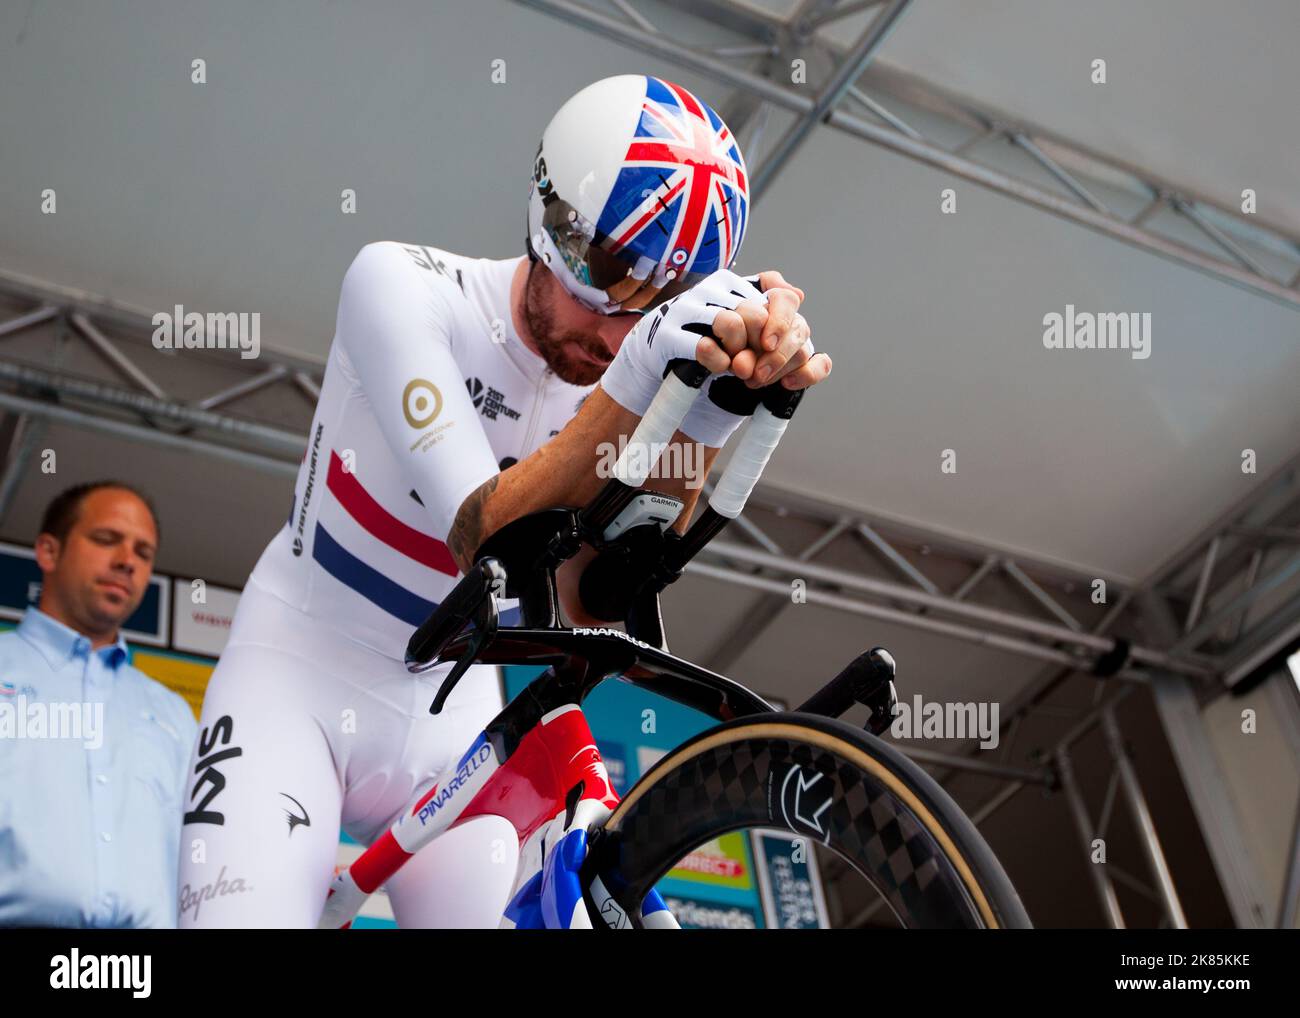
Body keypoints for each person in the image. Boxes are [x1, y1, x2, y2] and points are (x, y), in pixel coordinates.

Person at [178, 74, 831, 928]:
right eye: (605, 280)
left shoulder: (623, 360)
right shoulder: (403, 288)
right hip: (296, 675)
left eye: (655, 307)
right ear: (548, 220)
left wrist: (711, 397)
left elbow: (593, 594)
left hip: (453, 717)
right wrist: (645, 374)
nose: (611, 334)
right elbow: (483, 532)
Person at [0, 481, 196, 927]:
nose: (127, 561)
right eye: (106, 540)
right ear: (49, 552)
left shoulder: (173, 714)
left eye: (144, 554)